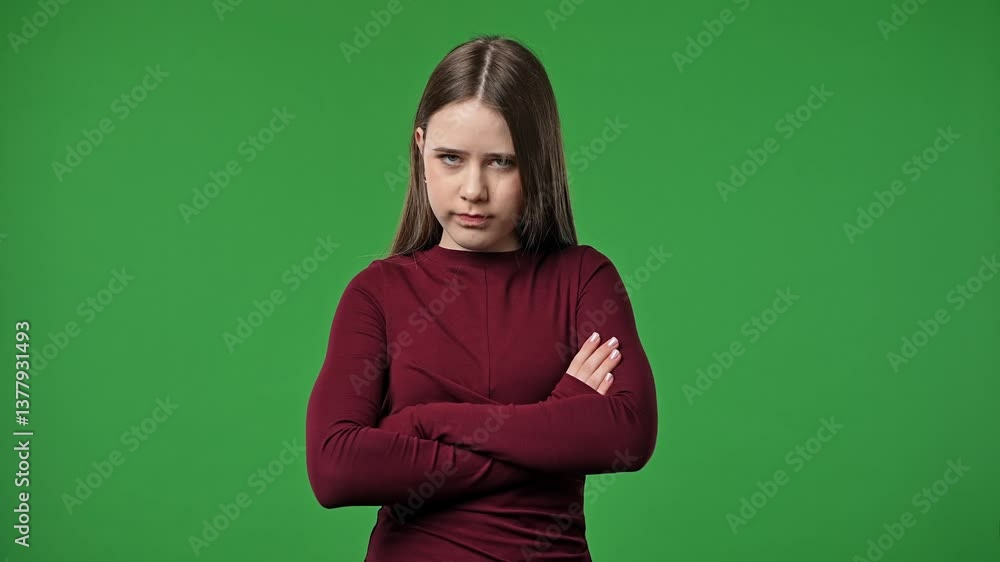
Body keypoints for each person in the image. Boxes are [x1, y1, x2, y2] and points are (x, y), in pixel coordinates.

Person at [305, 34, 658, 561]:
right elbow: (335, 470)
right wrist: (559, 414)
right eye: (450, 158)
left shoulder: (584, 278)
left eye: (501, 162)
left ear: (538, 161)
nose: (473, 189)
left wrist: (424, 423)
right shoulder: (377, 293)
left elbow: (628, 433)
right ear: (420, 144)